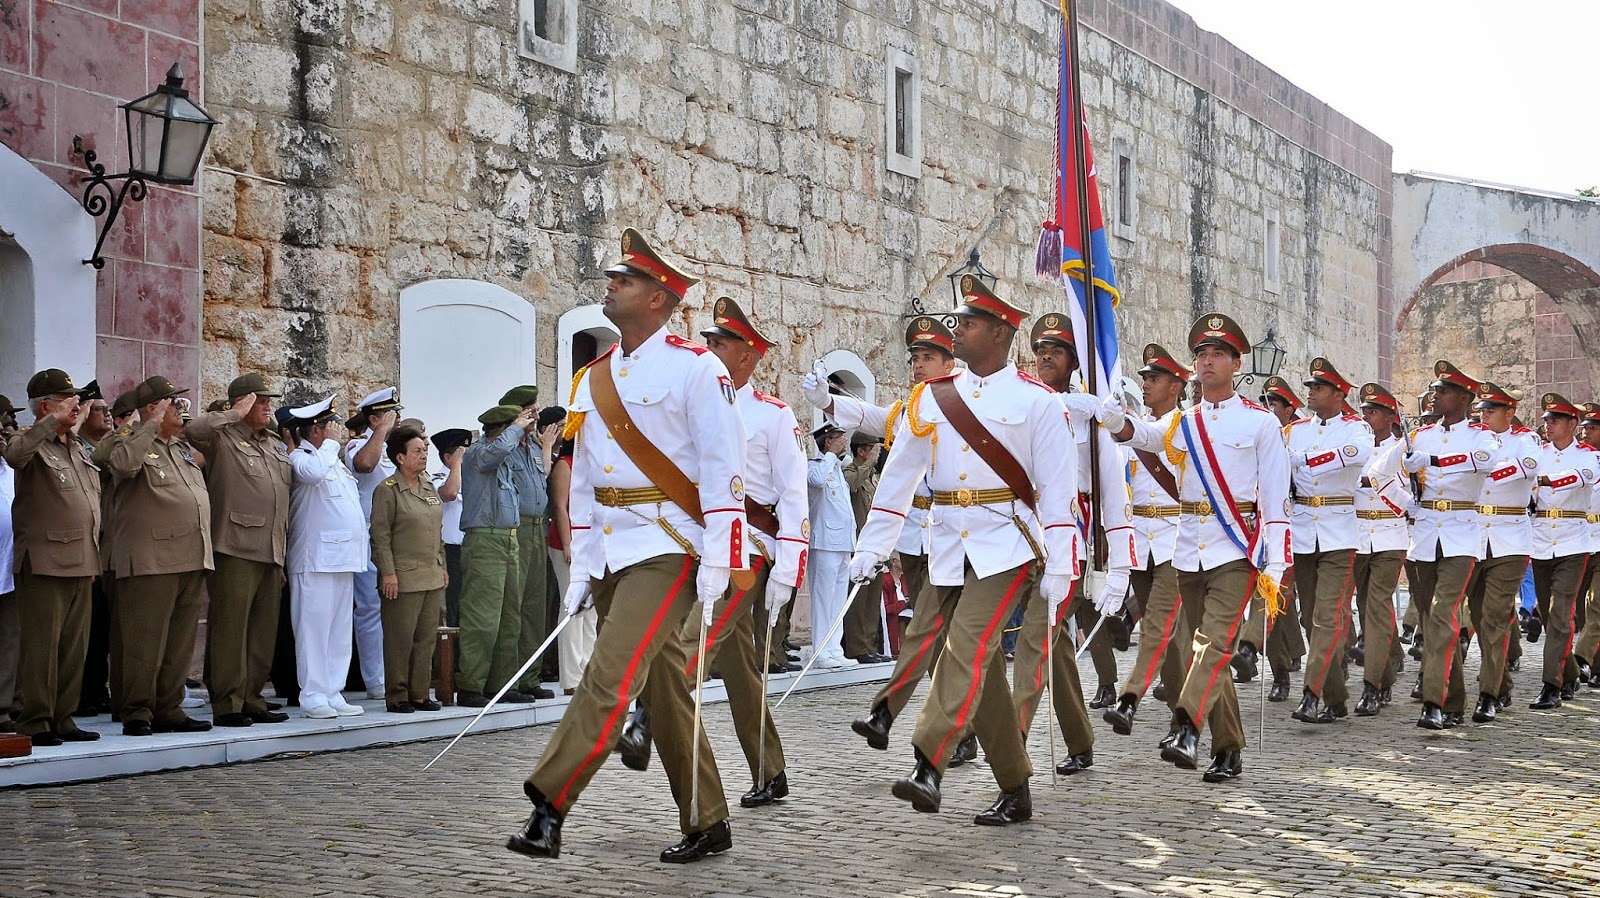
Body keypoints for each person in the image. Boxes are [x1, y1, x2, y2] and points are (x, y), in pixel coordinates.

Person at [508, 227, 745, 863]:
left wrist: (721, 558)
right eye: (614, 277)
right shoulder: (592, 379)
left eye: (627, 280)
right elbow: (580, 479)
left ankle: (548, 806)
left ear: (660, 300)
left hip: (669, 546)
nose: (612, 285)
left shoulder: (699, 370)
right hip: (612, 549)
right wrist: (583, 562)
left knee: (608, 675)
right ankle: (708, 817)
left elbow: (723, 469)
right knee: (666, 685)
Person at [849, 276, 1078, 824]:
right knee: (982, 673)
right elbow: (897, 479)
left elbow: (1058, 491)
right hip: (949, 543)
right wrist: (872, 547)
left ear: (1001, 333)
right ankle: (1015, 786)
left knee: (967, 642)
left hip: (1008, 544)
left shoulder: (1038, 402)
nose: (957, 329)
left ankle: (929, 760)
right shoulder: (930, 399)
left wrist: (1064, 567)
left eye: (969, 323)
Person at [1101, 313, 1291, 782]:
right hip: (1188, 548)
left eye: (1218, 354)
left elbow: (1275, 496)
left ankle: (1186, 725)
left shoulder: (1261, 423)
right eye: (1202, 355)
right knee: (1207, 654)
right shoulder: (1183, 422)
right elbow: (1146, 436)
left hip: (1234, 548)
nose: (1208, 361)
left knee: (1212, 643)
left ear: (1236, 363)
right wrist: (1116, 422)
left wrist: (1278, 560)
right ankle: (1228, 749)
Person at [817, 317, 959, 752]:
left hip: (954, 537)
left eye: (928, 358)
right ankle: (966, 730)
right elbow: (874, 417)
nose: (918, 366)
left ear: (951, 362)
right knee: (941, 640)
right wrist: (828, 401)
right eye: (915, 358)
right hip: (916, 536)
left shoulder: (964, 407)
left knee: (926, 629)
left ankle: (887, 713)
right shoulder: (913, 407)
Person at [1008, 310, 1134, 777]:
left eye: (1056, 351)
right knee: (1054, 647)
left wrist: (1119, 561)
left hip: (1071, 541)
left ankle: (1009, 742)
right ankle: (1080, 738)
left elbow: (1112, 490)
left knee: (1036, 642)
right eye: (1040, 350)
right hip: (1021, 535)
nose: (1045, 357)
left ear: (1073, 362)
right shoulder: (1021, 404)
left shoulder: (1090, 416)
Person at [104, 376, 215, 736]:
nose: (181, 409)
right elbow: (119, 465)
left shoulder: (179, 448)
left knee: (179, 642)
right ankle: (137, 709)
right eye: (172, 403)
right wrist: (148, 424)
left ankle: (168, 706)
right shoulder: (131, 442)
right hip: (152, 559)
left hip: (190, 556)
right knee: (144, 640)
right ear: (153, 408)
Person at [185, 374, 293, 728]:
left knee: (262, 631)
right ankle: (228, 701)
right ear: (242, 401)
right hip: (235, 546)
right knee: (231, 627)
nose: (267, 406)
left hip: (271, 547)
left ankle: (252, 696)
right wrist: (234, 413)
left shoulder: (274, 443)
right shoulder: (222, 437)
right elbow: (194, 431)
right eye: (260, 400)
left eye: (267, 401)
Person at [1402, 360, 1503, 730]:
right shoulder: (1421, 435)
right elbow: (1395, 473)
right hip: (1426, 533)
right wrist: (1407, 493)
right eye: (1435, 391)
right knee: (1432, 622)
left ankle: (1433, 701)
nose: (1436, 396)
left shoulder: (1481, 436)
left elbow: (1484, 462)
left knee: (1443, 612)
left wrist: (1433, 460)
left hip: (1462, 534)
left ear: (1464, 398)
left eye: (1443, 392)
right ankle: (1455, 699)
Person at [6, 370, 103, 747]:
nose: (77, 404)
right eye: (68, 399)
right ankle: (35, 720)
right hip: (45, 560)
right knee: (42, 647)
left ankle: (63, 717)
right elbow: (15, 456)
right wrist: (48, 425)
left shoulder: (76, 447)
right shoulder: (26, 440)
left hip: (82, 559)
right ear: (45, 405)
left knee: (72, 649)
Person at [1103, 344, 1193, 739]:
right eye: (1145, 378)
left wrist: (1122, 426)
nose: (1146, 384)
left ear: (1176, 386)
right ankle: (1184, 716)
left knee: (1156, 624)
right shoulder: (1140, 427)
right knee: (1172, 641)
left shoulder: (1188, 426)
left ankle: (1129, 698)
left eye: (1154, 379)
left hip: (1176, 538)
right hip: (1140, 539)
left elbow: (1149, 436)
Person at [1283, 358, 1371, 725]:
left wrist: (1305, 460)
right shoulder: (1295, 430)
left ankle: (1311, 694)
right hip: (1303, 530)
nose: (1311, 392)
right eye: (1310, 387)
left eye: (1319, 387)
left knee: (1326, 617)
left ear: (1339, 394)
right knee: (1310, 619)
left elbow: (1355, 456)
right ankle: (1335, 696)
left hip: (1337, 530)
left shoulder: (1356, 428)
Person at [1460, 382, 1541, 720]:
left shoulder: (1525, 440)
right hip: (1473, 538)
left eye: (1491, 410)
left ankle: (1488, 694)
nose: (1484, 415)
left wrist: (1478, 468)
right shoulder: (1472, 437)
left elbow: (1529, 466)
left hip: (1509, 539)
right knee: (1478, 616)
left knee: (1493, 617)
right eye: (1482, 410)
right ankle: (1503, 683)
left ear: (1510, 413)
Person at [286, 396, 368, 719]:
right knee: (313, 630)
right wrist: (331, 446)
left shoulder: (332, 462)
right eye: (329, 427)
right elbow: (313, 474)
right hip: (315, 559)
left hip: (343, 558)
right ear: (315, 431)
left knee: (338, 630)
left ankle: (333, 690)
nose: (336, 432)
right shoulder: (300, 457)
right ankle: (313, 694)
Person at [457, 403, 541, 707]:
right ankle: (471, 685)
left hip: (510, 540)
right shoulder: (479, 452)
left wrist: (525, 431)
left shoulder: (507, 455)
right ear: (501, 430)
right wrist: (516, 427)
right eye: (513, 429)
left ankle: (504, 684)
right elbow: (494, 453)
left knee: (510, 617)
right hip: (485, 541)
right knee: (483, 618)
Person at [1527, 393, 1599, 711]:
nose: (1549, 426)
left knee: (1560, 614)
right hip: (1541, 542)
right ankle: (1568, 672)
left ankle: (1551, 685)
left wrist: (1540, 481)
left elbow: (1580, 479)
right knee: (1546, 616)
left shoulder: (1587, 456)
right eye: (1546, 421)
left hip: (1573, 542)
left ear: (1572, 424)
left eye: (1555, 421)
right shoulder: (1537, 454)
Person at [370, 426, 447, 713]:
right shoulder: (387, 491)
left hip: (430, 574)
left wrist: (442, 565)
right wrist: (388, 573)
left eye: (424, 450)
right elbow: (380, 536)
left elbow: (435, 531)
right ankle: (397, 694)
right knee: (399, 639)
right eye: (417, 451)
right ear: (400, 457)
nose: (424, 455)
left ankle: (420, 693)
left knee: (425, 639)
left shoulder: (428, 488)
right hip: (402, 576)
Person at [1350, 383, 1410, 716]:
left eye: (1374, 412)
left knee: (1376, 605)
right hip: (1358, 534)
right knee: (1365, 604)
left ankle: (1371, 686)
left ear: (1390, 416)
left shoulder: (1403, 449)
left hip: (1389, 533)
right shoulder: (1355, 447)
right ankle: (1385, 677)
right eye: (1365, 411)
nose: (1367, 417)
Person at [344, 387, 403, 700]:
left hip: (397, 534)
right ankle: (375, 678)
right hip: (368, 534)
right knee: (370, 607)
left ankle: (397, 673)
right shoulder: (359, 444)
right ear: (374, 417)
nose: (397, 419)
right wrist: (379, 431)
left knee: (397, 608)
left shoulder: (394, 449)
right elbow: (365, 465)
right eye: (391, 414)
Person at [499, 385, 557, 700]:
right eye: (529, 409)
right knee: (514, 605)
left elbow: (543, 476)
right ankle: (509, 678)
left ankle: (530, 676)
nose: (536, 414)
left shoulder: (533, 446)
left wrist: (545, 446)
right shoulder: (504, 446)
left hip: (538, 529)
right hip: (517, 529)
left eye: (535, 408)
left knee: (535, 605)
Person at [1252, 375, 1308, 694]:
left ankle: (1282, 670)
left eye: (1274, 404)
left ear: (1289, 409)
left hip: (1292, 528)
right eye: (1266, 403)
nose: (1268, 409)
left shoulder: (1299, 438)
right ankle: (1275, 665)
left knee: (1279, 596)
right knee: (1266, 599)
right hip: (1253, 530)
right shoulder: (1254, 433)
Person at [72, 380, 114, 717]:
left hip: (104, 547)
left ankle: (97, 690)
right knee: (85, 628)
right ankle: (83, 694)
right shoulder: (81, 449)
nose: (107, 415)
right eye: (98, 409)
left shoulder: (104, 449)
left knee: (101, 629)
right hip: (84, 548)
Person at [545, 432, 596, 696]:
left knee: (591, 613)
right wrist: (568, 543)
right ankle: (572, 677)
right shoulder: (566, 463)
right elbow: (560, 506)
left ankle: (588, 669)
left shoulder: (593, 462)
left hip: (593, 543)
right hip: (570, 541)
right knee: (572, 608)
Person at [806, 423, 856, 668]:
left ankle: (834, 648)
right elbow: (815, 481)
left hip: (843, 541)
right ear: (828, 441)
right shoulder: (817, 466)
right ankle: (820, 651)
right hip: (825, 541)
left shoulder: (836, 468)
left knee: (838, 599)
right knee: (823, 598)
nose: (844, 442)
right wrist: (829, 456)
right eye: (839, 438)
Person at [842, 433, 890, 663]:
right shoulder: (851, 471)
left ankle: (870, 645)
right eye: (874, 450)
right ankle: (856, 647)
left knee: (872, 599)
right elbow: (851, 486)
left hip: (875, 546)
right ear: (862, 451)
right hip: (858, 545)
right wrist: (869, 462)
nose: (878, 455)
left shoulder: (873, 477)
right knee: (858, 600)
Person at [430, 428, 471, 628]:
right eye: (462, 452)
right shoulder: (438, 476)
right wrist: (455, 465)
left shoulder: (470, 476)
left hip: (470, 547)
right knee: (453, 605)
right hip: (450, 551)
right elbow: (450, 493)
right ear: (447, 456)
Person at [0, 401, 19, 732]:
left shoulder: (12, 468)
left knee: (9, 643)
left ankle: (4, 710)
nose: (7, 430)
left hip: (10, 568)